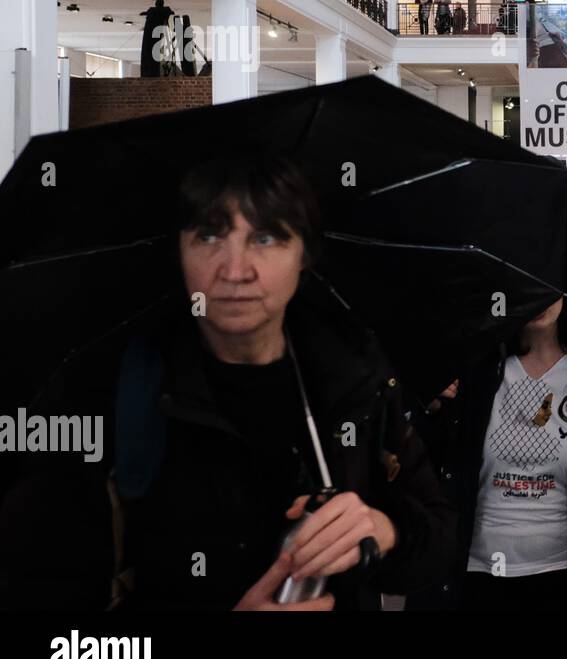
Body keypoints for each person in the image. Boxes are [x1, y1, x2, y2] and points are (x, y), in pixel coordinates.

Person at [0, 154, 457, 610]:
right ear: (178, 250)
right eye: (209, 235)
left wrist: (384, 530)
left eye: (266, 237)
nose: (236, 271)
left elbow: (438, 542)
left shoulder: (355, 377)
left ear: (305, 255)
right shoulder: (102, 399)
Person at [405, 294, 567, 611]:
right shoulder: (472, 369)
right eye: (525, 286)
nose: (537, 299)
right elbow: (428, 463)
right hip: (476, 573)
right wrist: (429, 407)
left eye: (547, 284)